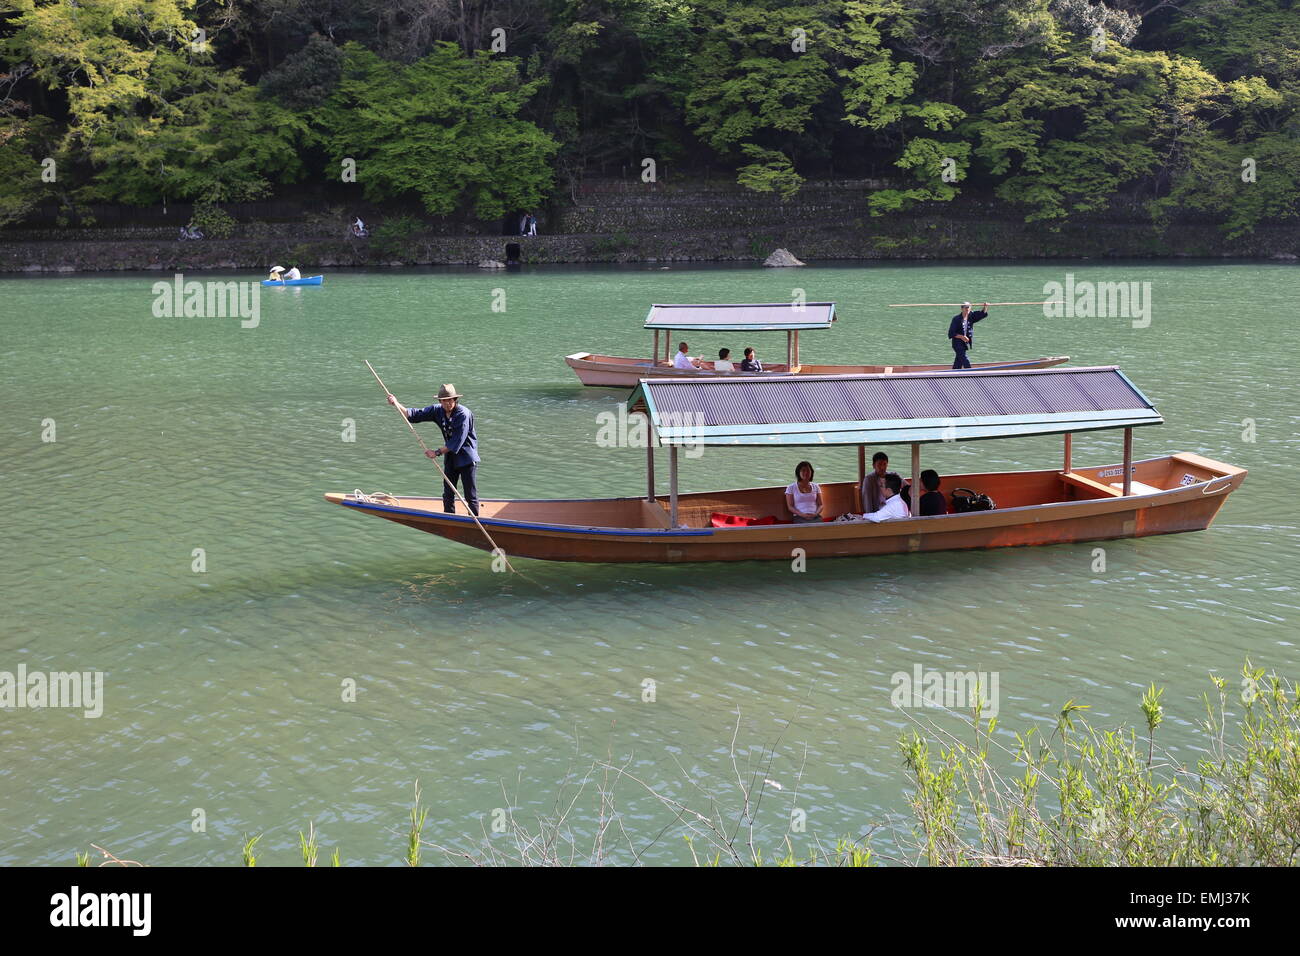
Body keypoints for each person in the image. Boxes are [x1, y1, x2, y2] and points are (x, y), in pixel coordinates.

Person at [387, 383, 480, 515]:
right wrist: (396, 404)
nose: (447, 404)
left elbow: (457, 441)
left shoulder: (463, 414)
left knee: (470, 495)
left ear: (455, 400)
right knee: (448, 493)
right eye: (444, 401)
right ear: (440, 401)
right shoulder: (438, 410)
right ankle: (449, 518)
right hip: (451, 457)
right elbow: (414, 415)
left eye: (450, 400)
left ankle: (474, 520)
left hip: (466, 457)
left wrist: (436, 452)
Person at [947, 301, 990, 370]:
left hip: (965, 344)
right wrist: (962, 337)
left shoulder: (971, 316)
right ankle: (970, 374)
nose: (967, 309)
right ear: (962, 309)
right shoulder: (956, 319)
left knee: (958, 362)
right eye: (966, 307)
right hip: (957, 343)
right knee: (965, 359)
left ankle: (953, 373)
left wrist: (985, 306)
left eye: (969, 307)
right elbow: (951, 333)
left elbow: (982, 314)